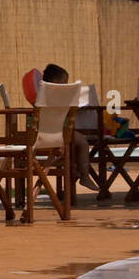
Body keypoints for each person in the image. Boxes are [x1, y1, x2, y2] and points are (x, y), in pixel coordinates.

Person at [40, 64, 96, 193]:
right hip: (57, 132)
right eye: (64, 82)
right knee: (82, 142)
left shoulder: (43, 93)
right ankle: (84, 175)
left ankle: (71, 167)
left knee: (73, 145)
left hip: (51, 132)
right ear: (55, 82)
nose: (66, 85)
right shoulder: (53, 94)